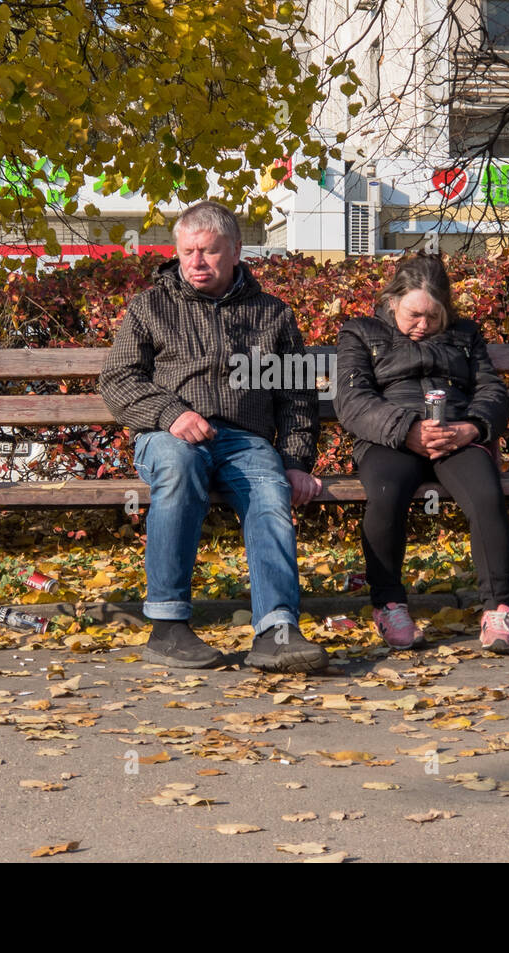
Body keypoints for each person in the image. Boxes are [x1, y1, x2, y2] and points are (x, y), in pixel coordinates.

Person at [99, 200, 329, 673]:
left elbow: (297, 395)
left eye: (208, 251)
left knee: (271, 492)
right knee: (179, 467)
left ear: (237, 251)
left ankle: (276, 632)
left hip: (247, 442)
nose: (196, 262)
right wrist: (170, 413)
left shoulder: (273, 315)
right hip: (170, 437)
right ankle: (167, 627)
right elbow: (118, 380)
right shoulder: (150, 306)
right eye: (187, 252)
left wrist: (296, 460)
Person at [334, 254, 509, 653]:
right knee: (386, 494)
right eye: (414, 315)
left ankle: (497, 610)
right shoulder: (360, 332)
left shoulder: (465, 334)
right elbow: (352, 400)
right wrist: (407, 430)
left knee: (487, 496)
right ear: (393, 300)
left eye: (434, 318)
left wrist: (471, 427)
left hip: (456, 434)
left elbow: (492, 391)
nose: (423, 326)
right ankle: (388, 605)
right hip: (389, 439)